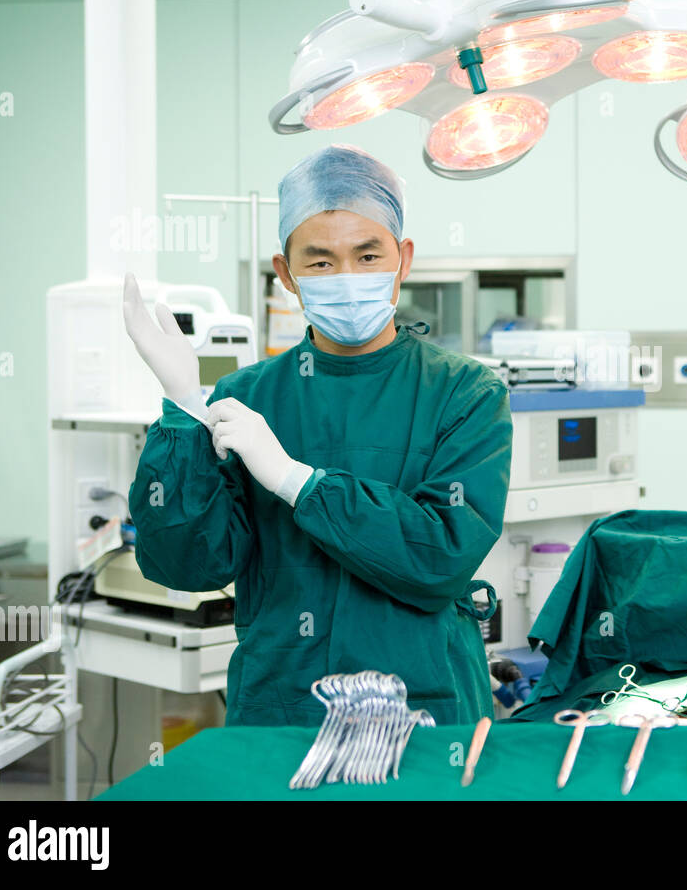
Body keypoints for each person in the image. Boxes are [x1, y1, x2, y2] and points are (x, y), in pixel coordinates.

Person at [123, 144, 512, 727]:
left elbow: (441, 557)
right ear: (286, 273)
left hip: (424, 702)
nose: (347, 277)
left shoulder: (465, 393)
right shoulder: (244, 398)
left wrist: (294, 480)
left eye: (367, 254)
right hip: (284, 703)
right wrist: (184, 408)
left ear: (402, 259)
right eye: (321, 261)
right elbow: (188, 569)